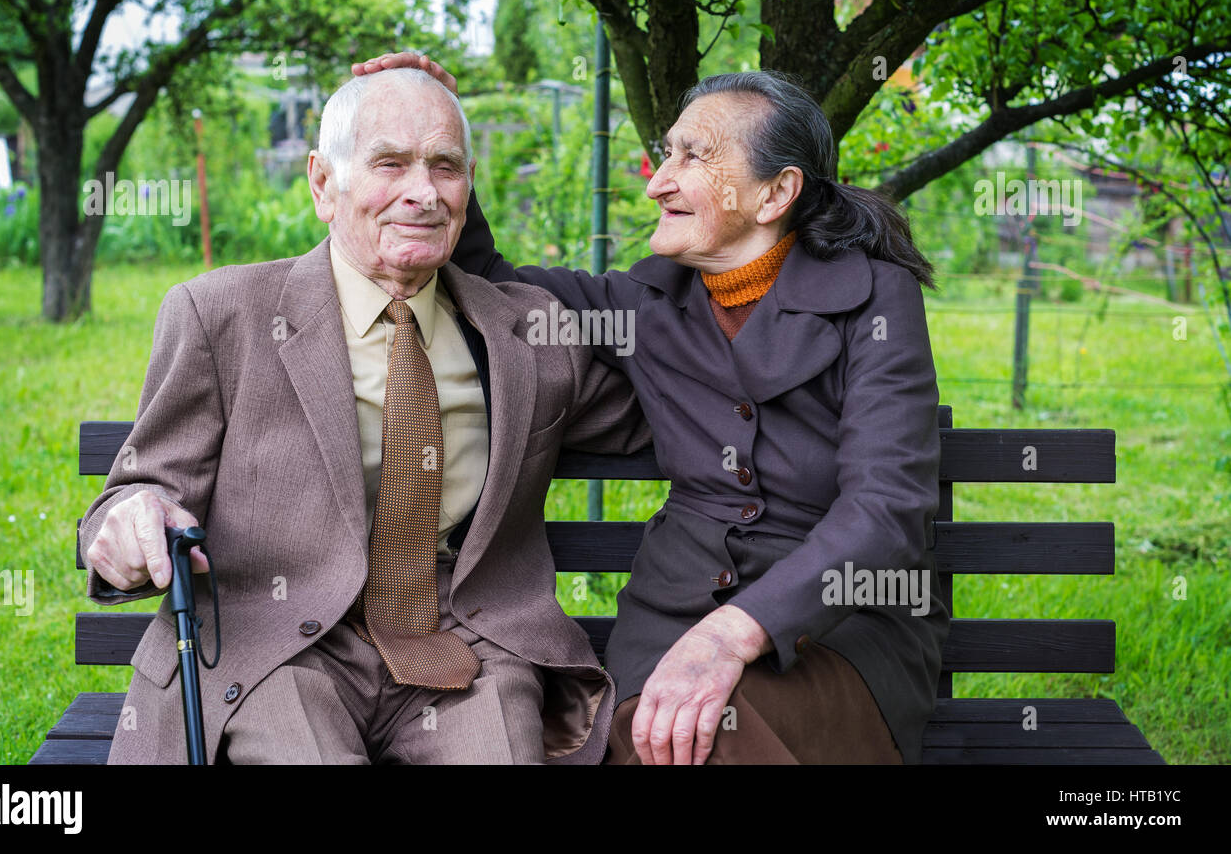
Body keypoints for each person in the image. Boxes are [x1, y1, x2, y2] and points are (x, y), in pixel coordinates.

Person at [352, 54, 949, 765]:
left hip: (841, 633)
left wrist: (735, 634)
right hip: (671, 625)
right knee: (677, 738)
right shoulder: (642, 304)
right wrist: (442, 139)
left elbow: (887, 508)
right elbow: (492, 286)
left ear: (775, 193)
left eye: (692, 157)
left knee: (714, 738)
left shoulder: (873, 299)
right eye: (666, 154)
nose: (658, 181)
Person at [79, 67, 649, 764]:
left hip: (466, 645)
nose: (424, 192)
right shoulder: (222, 315)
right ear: (323, 184)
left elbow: (677, 412)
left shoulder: (528, 333)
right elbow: (142, 487)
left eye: (446, 167)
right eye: (391, 164)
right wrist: (128, 525)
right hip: (279, 647)